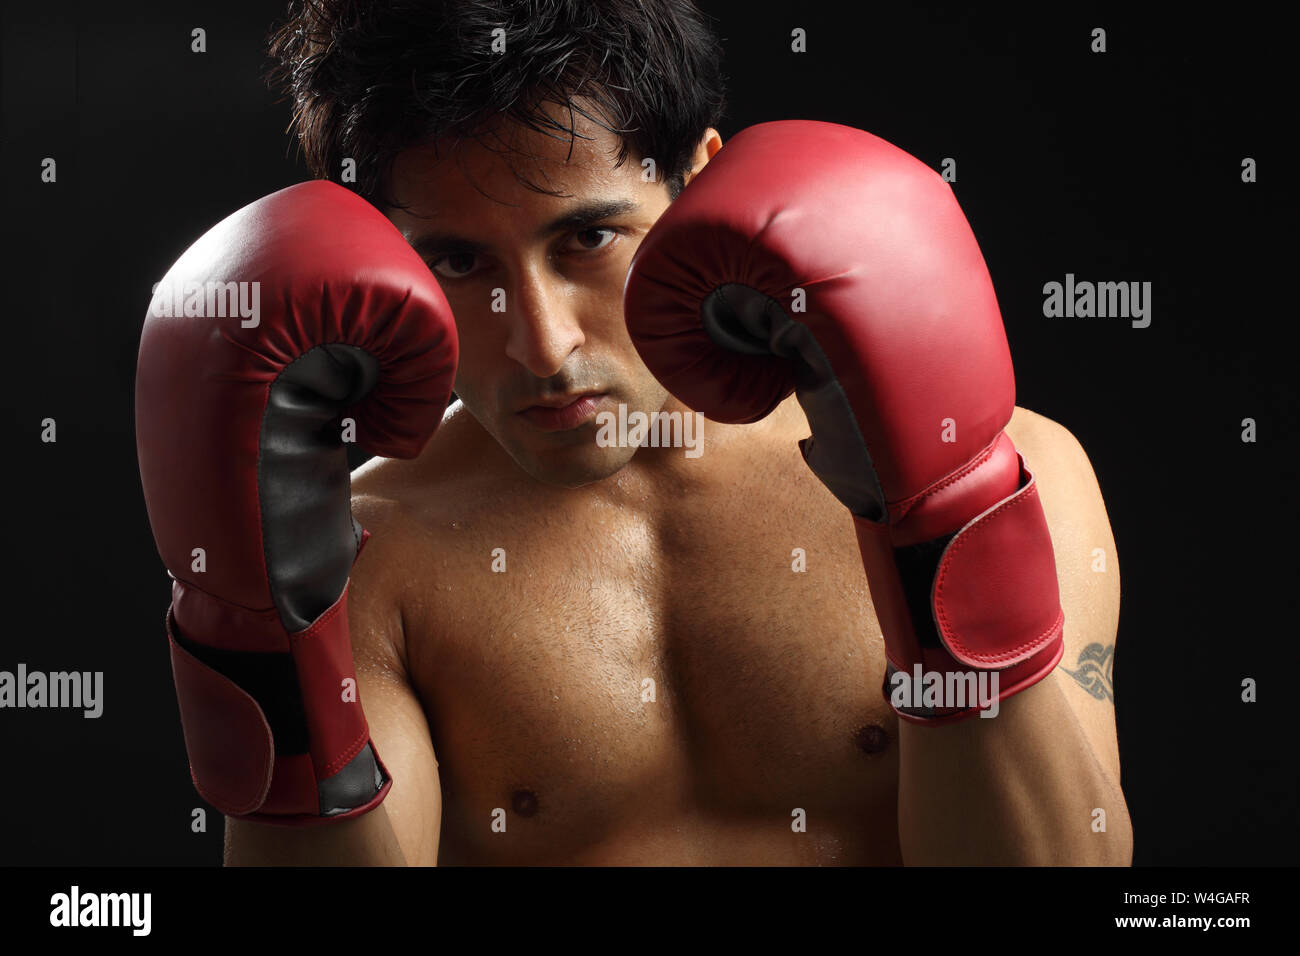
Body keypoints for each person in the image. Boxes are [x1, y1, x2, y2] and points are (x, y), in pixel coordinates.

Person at [137, 0, 1132, 865]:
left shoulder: (1013, 468)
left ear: (695, 182)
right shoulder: (368, 554)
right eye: (457, 263)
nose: (540, 341)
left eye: (586, 238)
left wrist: (945, 521)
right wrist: (268, 647)